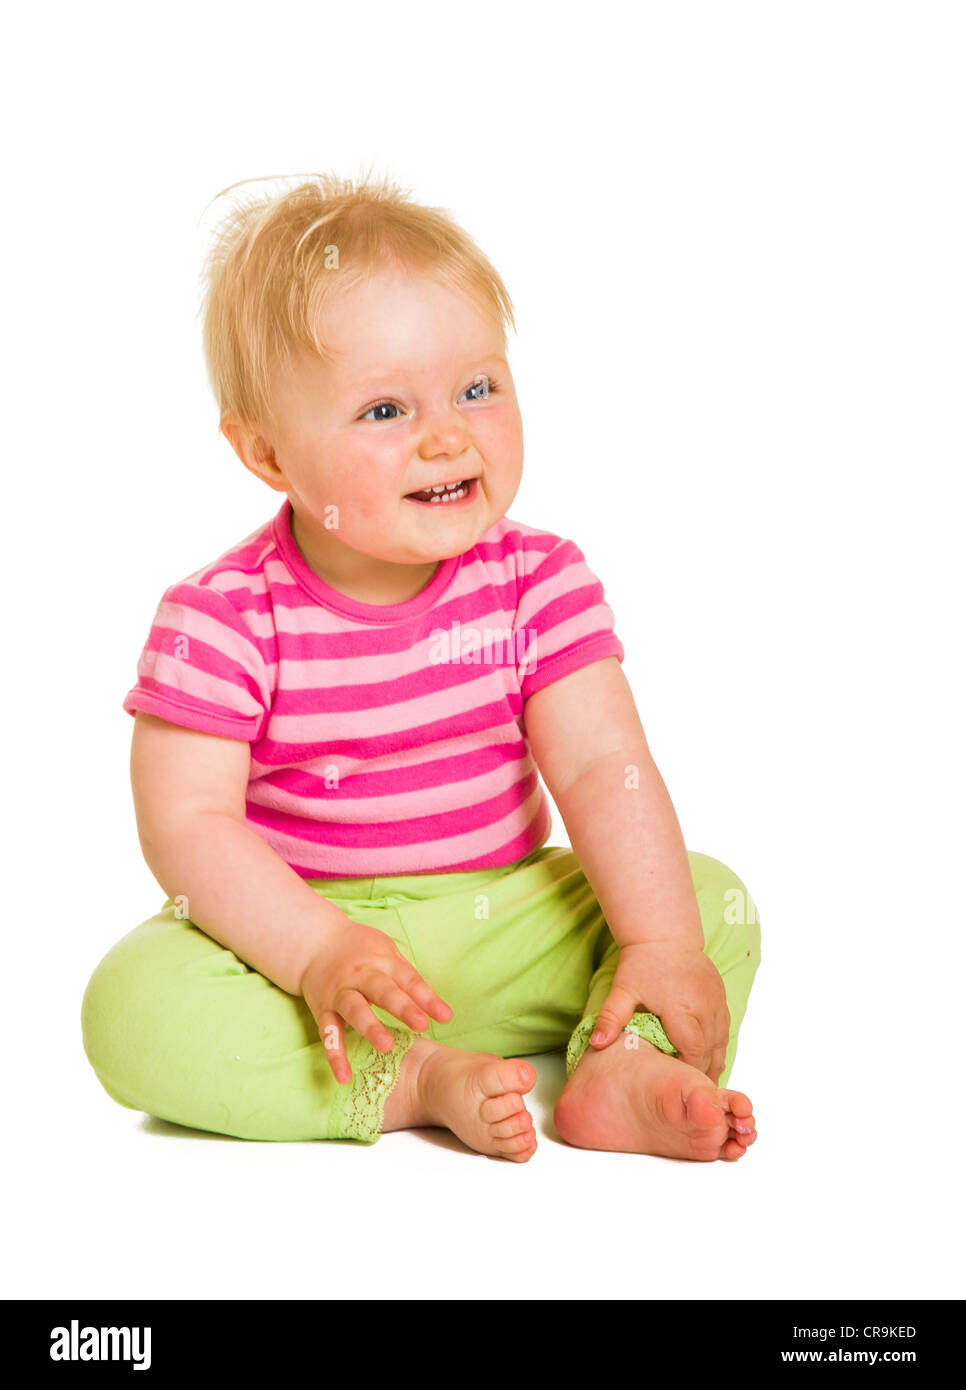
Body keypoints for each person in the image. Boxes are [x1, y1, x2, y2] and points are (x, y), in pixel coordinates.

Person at [81, 171, 761, 1162]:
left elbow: (600, 769)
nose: (449, 433)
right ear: (267, 452)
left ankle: (623, 1057)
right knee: (129, 1006)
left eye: (478, 389)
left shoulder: (538, 581)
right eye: (385, 410)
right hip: (300, 941)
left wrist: (656, 943)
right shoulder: (223, 618)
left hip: (503, 916)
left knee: (709, 901)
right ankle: (405, 1077)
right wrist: (318, 950)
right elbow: (188, 827)